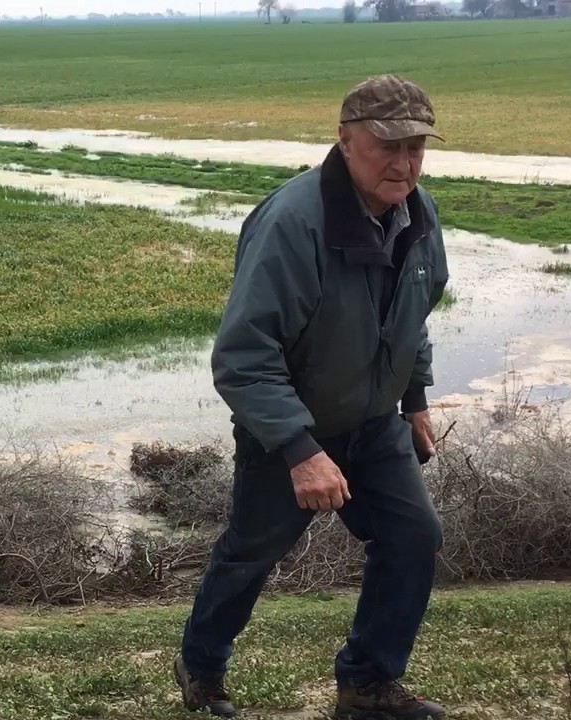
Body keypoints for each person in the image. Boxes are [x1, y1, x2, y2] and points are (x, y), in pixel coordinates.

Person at [172, 75, 450, 720]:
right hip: (289, 429)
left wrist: (414, 398)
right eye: (387, 145)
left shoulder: (419, 212)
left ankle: (367, 685)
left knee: (413, 537)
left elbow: (413, 313)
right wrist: (300, 450)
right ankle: (202, 668)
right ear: (346, 140)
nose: (403, 163)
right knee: (252, 553)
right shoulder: (293, 222)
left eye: (415, 147)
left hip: (375, 423)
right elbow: (244, 356)